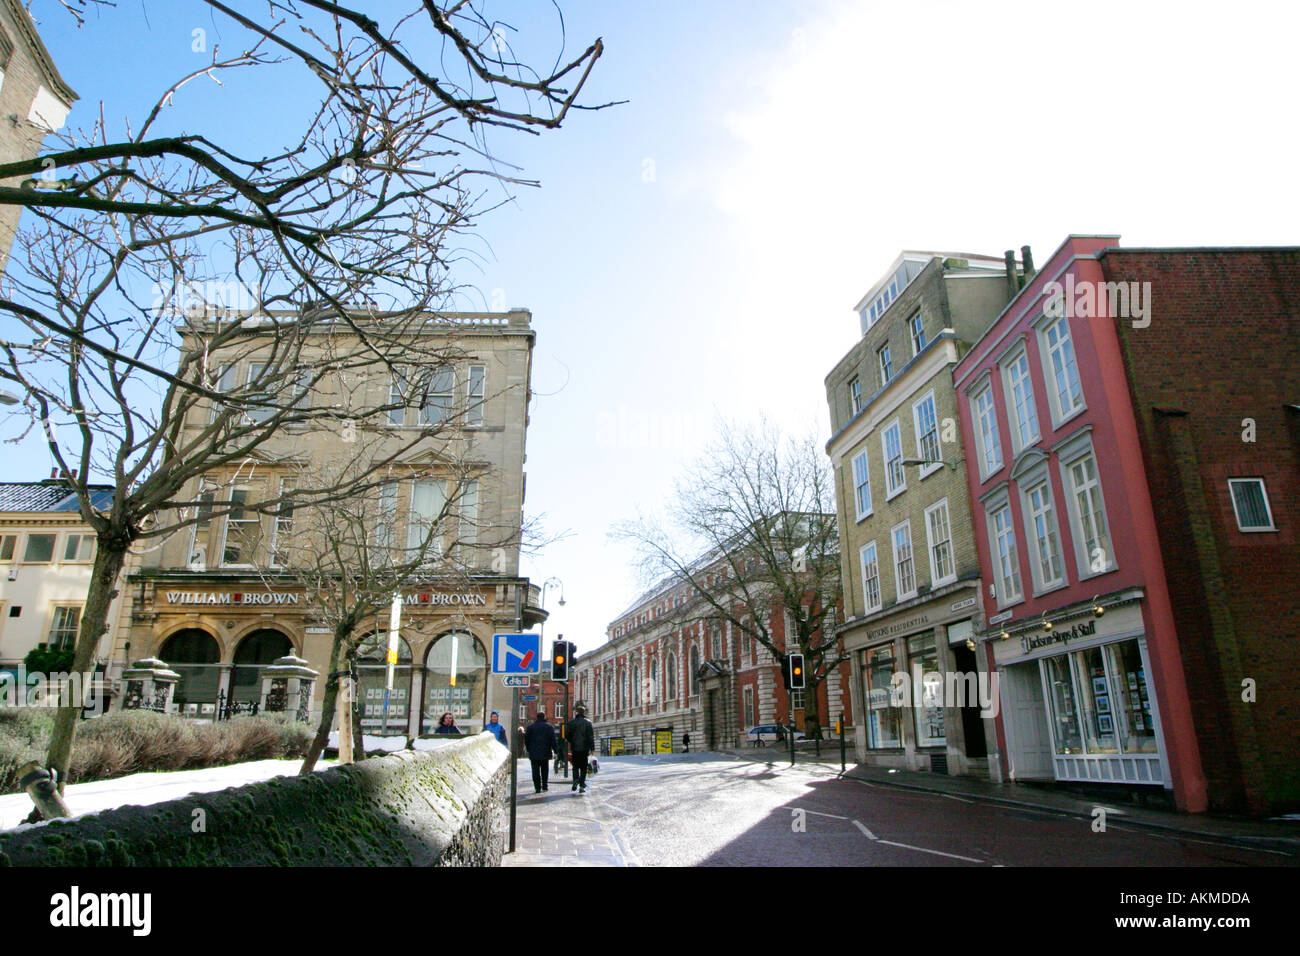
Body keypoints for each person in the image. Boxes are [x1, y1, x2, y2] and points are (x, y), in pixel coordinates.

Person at [564, 704, 596, 794]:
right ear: (584, 712)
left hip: (575, 748)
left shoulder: (571, 723)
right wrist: (592, 748)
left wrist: (572, 741)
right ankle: (582, 784)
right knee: (583, 767)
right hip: (585, 748)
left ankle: (575, 780)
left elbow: (567, 735)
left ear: (576, 712)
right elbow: (590, 737)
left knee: (575, 766)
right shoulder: (588, 723)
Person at [523, 711, 558, 793]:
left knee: (535, 771)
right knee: (545, 770)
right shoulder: (549, 727)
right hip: (545, 752)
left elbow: (526, 740)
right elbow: (553, 740)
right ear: (544, 717)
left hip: (534, 753)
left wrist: (529, 749)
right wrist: (555, 750)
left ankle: (537, 787)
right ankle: (545, 786)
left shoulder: (530, 727)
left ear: (537, 717)